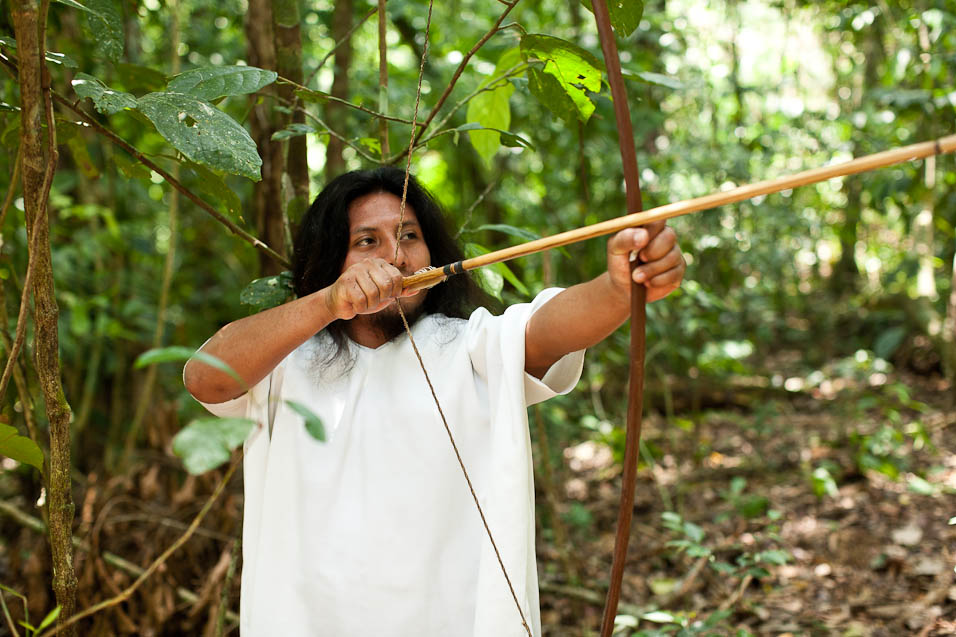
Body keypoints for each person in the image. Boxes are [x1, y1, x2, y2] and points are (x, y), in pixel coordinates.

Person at [184, 166, 685, 636]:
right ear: (331, 259)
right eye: (367, 242)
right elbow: (206, 378)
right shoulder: (286, 362)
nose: (395, 257)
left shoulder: (466, 346)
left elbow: (544, 328)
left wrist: (621, 288)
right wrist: (327, 303)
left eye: (408, 236)